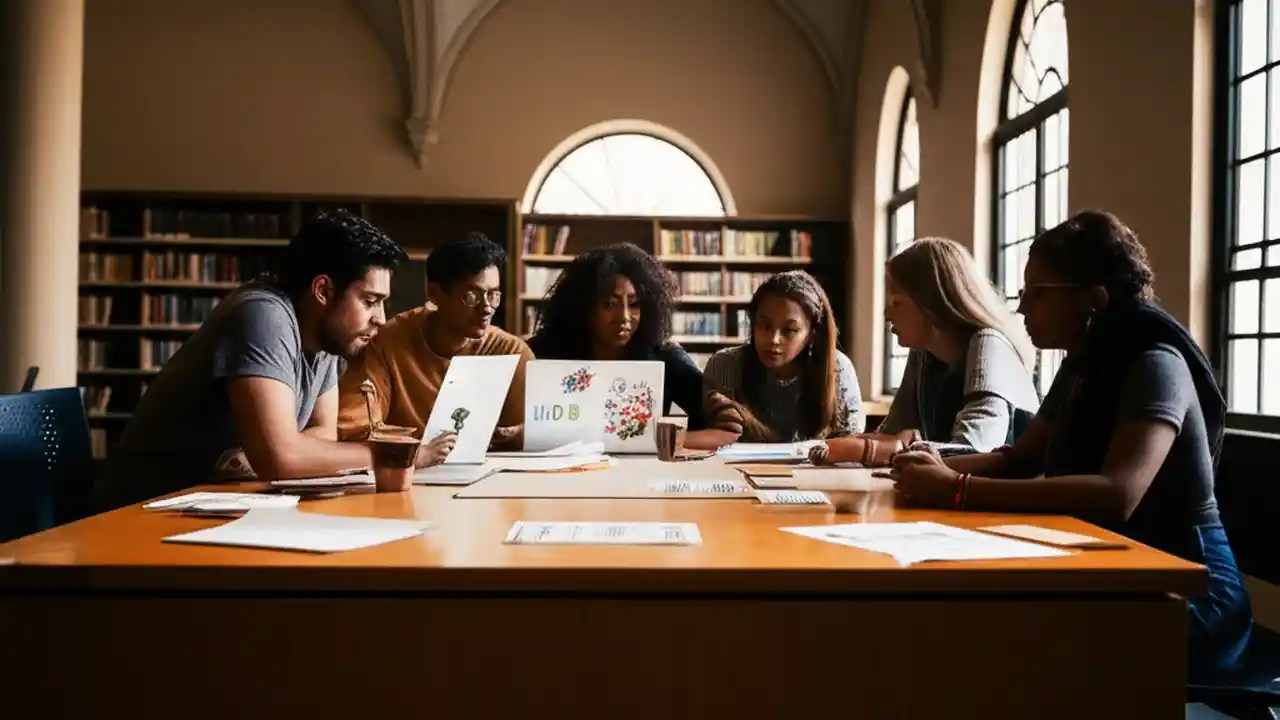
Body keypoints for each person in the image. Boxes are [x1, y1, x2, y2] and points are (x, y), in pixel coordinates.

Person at [890, 210, 1253, 682]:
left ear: (1094, 300)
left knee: (1015, 640)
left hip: (1191, 590)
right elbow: (1021, 459)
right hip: (1117, 565)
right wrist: (932, 465)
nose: (1022, 309)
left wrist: (956, 488)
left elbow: (1116, 494)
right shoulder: (1082, 363)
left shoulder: (1154, 362)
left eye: (1038, 294)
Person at [100, 210, 455, 510]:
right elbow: (283, 458)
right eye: (370, 301)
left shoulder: (329, 336)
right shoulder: (264, 315)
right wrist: (397, 455)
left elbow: (322, 434)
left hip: (212, 505)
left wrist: (278, 452)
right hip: (141, 512)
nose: (380, 317)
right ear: (323, 291)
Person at [811, 237, 1039, 466]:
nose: (886, 313)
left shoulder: (989, 345)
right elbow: (893, 432)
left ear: (930, 303)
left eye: (896, 302)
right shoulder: (924, 352)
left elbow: (975, 451)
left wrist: (871, 450)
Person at [337, 232, 533, 446]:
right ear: (434, 293)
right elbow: (355, 427)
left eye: (493, 295)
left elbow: (538, 431)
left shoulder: (511, 351)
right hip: (409, 469)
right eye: (471, 296)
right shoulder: (388, 341)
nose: (486, 308)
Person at [526, 243, 705, 428]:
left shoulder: (666, 357)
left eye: (635, 304)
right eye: (610, 305)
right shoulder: (544, 352)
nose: (624, 317)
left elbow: (716, 420)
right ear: (583, 307)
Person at [690, 270, 863, 449]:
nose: (773, 339)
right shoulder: (726, 365)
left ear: (812, 333)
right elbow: (720, 439)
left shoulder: (837, 367)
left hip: (816, 474)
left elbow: (849, 443)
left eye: (789, 330)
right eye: (765, 325)